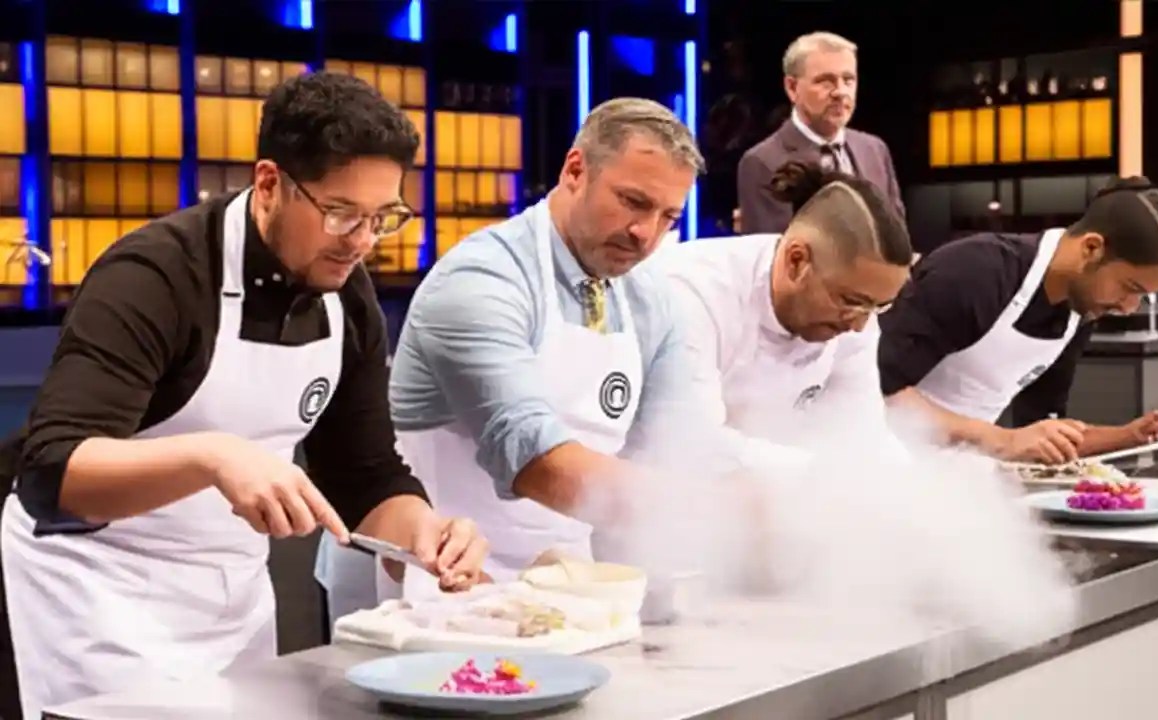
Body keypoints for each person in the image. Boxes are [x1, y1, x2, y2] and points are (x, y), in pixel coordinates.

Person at [0, 72, 487, 719]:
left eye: (382, 218)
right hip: (98, 600)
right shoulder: (155, 276)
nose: (363, 241)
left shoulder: (348, 296)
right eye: (341, 213)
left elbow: (365, 474)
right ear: (269, 183)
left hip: (233, 607)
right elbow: (52, 473)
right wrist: (212, 456)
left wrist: (424, 535)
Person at [315, 97, 704, 613]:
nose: (645, 233)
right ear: (575, 171)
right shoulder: (481, 280)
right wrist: (713, 515)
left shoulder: (652, 298)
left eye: (668, 217)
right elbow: (538, 463)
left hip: (563, 585)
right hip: (425, 579)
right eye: (633, 202)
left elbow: (677, 440)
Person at [877, 177, 1158, 464]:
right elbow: (879, 388)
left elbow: (1040, 429)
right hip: (881, 464)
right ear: (1091, 248)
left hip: (955, 472)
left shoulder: (1079, 312)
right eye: (1130, 288)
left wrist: (1123, 437)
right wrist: (1000, 440)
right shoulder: (975, 273)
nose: (1129, 308)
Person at [657, 161, 911, 478]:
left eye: (877, 307)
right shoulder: (694, 291)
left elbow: (862, 431)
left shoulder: (857, 309)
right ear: (796, 261)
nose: (858, 326)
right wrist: (821, 476)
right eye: (850, 302)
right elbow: (689, 441)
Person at [737, 31, 903, 235]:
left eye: (848, 80)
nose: (840, 92)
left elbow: (897, 237)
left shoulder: (875, 150)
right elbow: (775, 248)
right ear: (792, 88)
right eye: (826, 81)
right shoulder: (762, 162)